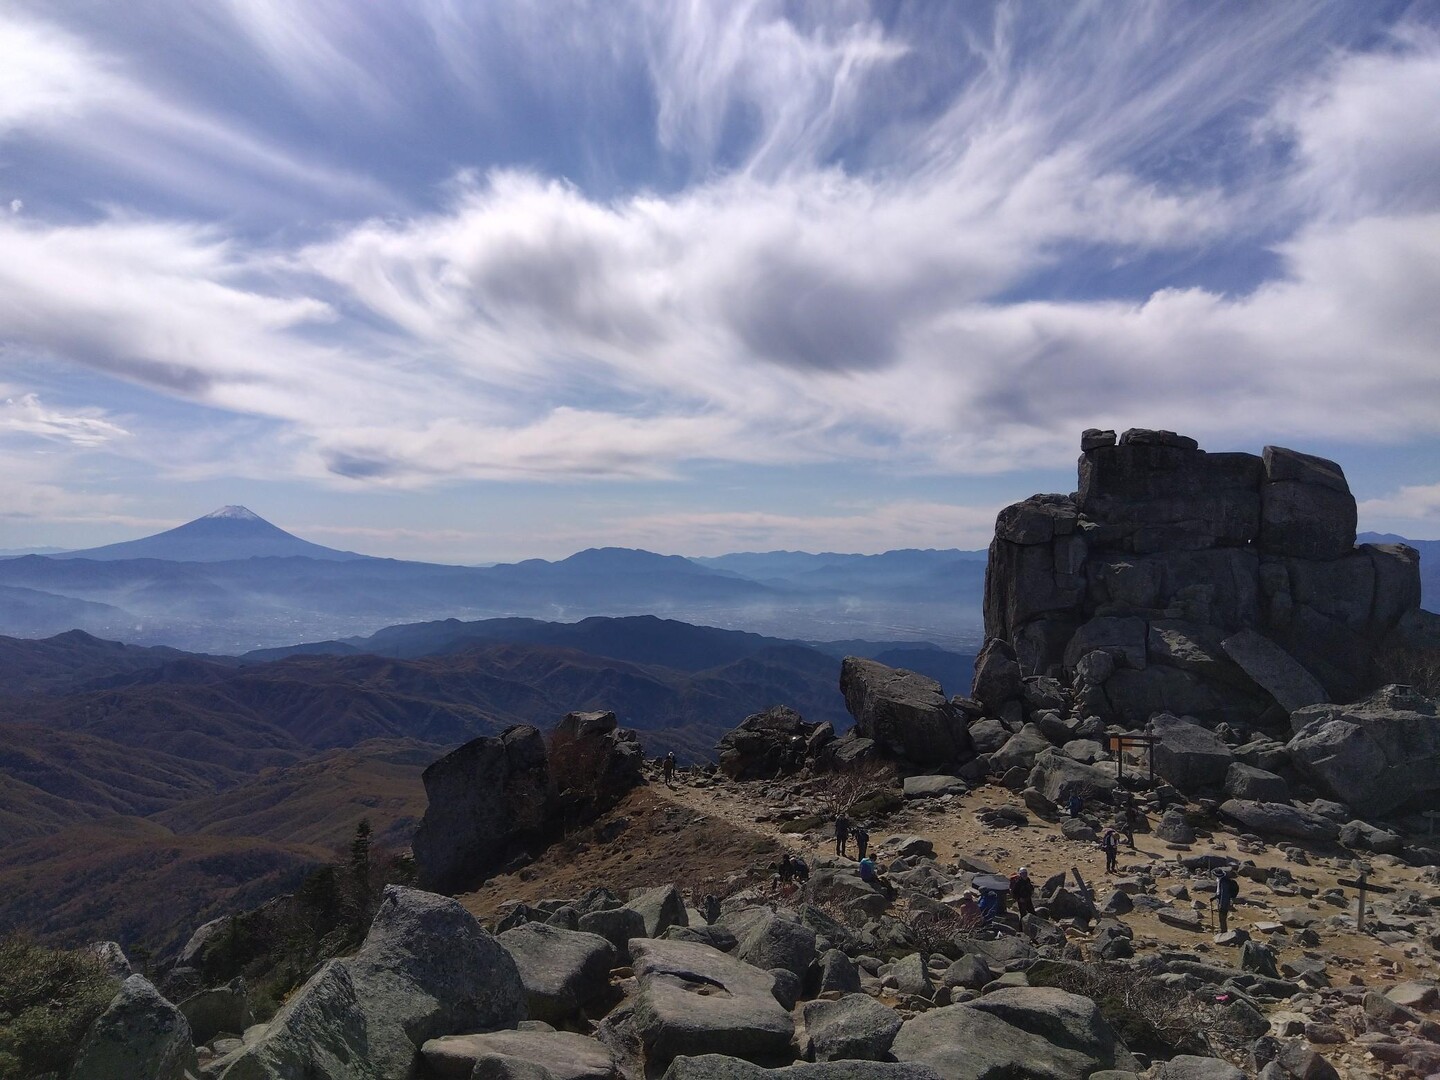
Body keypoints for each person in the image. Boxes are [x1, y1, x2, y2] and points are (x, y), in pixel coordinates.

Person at [1215, 868, 1239, 933]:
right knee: (1222, 917)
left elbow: (1224, 895)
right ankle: (1222, 929)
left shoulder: (1223, 882)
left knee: (1222, 917)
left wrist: (1222, 905)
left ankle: (1223, 931)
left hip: (1224, 903)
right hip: (1223, 901)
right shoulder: (1223, 880)